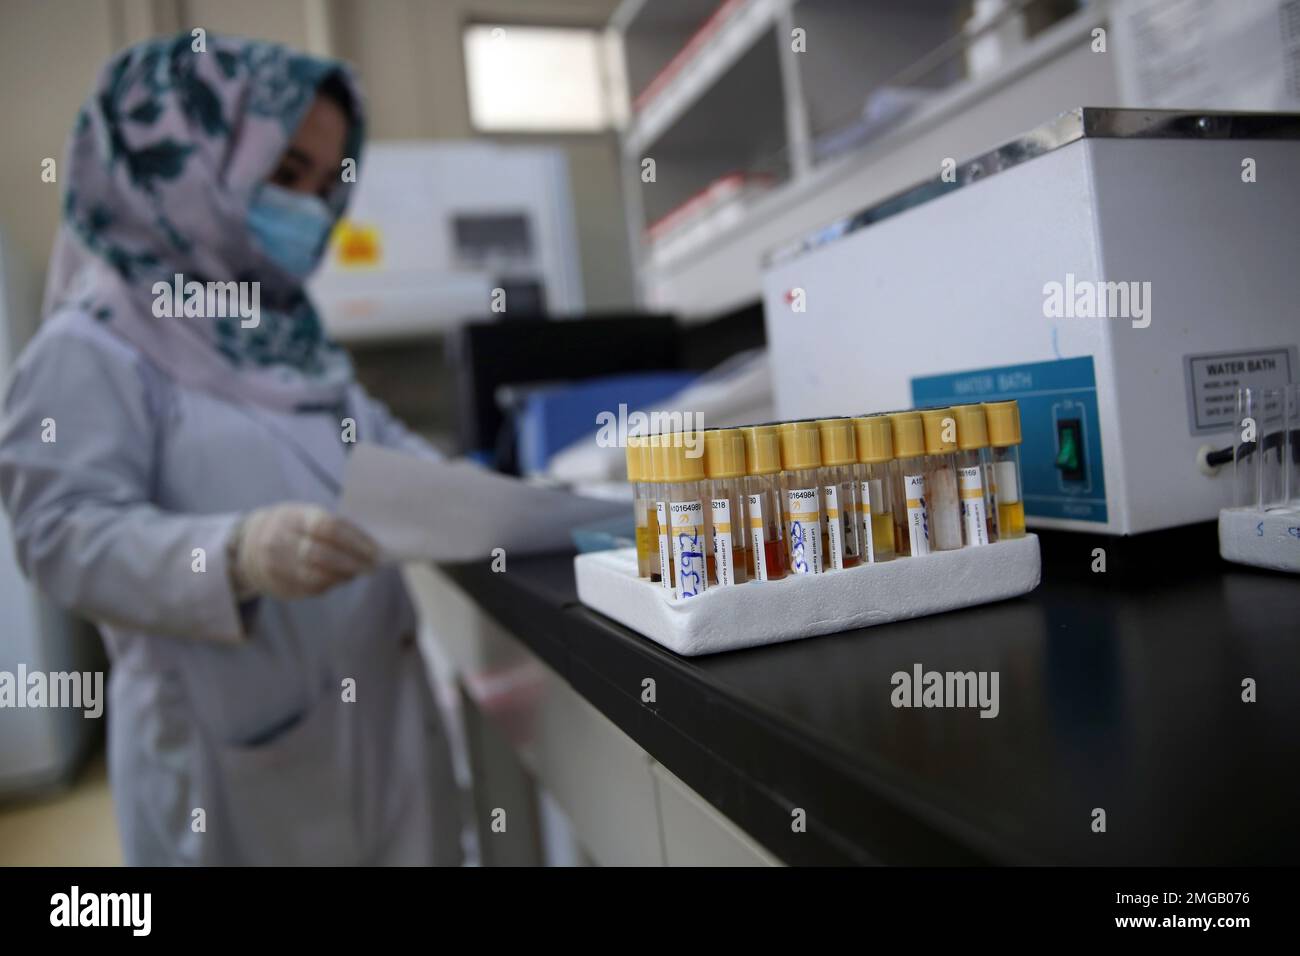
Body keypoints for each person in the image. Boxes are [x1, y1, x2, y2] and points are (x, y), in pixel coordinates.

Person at [0, 33, 462, 865]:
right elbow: (60, 536)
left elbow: (375, 444)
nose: (313, 212)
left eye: (327, 186)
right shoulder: (91, 345)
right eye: (287, 176)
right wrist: (235, 554)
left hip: (380, 718)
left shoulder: (280, 334)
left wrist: (486, 500)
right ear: (182, 156)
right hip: (233, 756)